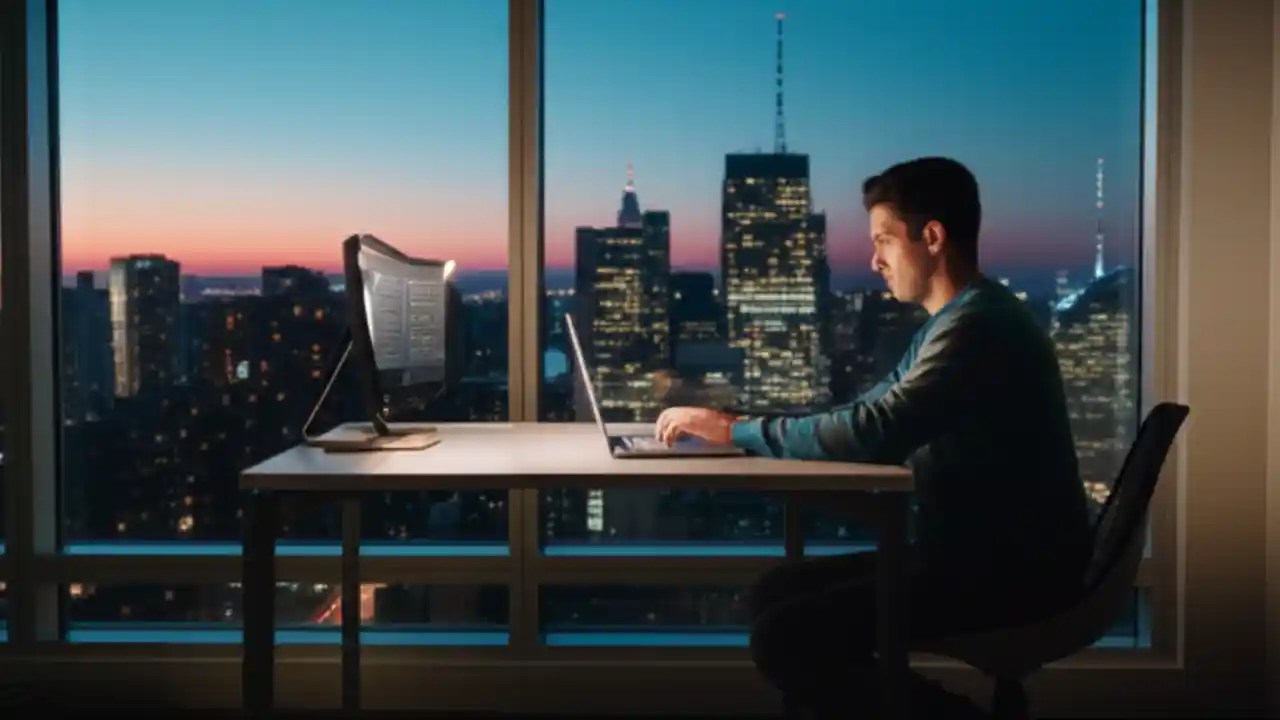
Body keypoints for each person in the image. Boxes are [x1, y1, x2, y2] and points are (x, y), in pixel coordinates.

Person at [655, 157, 1093, 718]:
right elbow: (868, 410)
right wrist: (746, 424)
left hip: (1008, 573)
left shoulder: (979, 328)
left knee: (784, 636)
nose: (874, 260)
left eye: (885, 240)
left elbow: (876, 431)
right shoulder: (954, 322)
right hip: (972, 555)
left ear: (931, 237)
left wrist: (736, 431)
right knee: (774, 593)